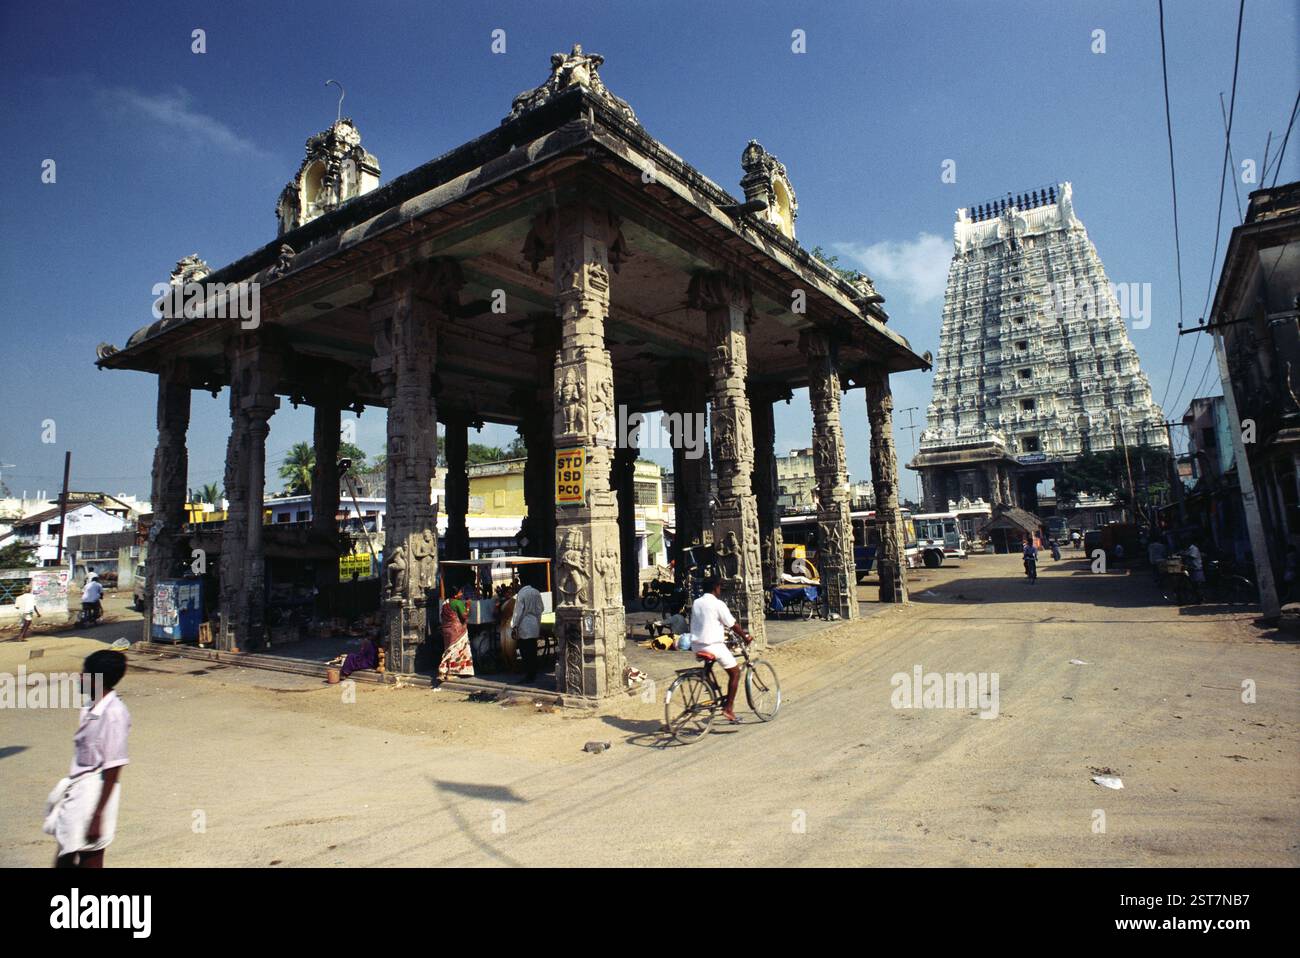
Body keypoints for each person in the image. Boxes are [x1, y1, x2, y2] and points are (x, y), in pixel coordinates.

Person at [47, 650, 131, 868]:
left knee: (89, 858)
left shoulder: (114, 714)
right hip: (77, 792)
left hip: (95, 794)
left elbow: (114, 767)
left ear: (97, 679)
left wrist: (97, 816)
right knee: (65, 854)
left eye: (85, 673)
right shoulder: (90, 708)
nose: (80, 677)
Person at [689, 576, 753, 723]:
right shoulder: (718, 604)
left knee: (709, 665)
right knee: (735, 673)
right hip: (713, 645)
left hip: (696, 645)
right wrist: (745, 637)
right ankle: (728, 709)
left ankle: (711, 686)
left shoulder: (696, 603)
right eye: (719, 587)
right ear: (716, 587)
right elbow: (732, 624)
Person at [510, 575, 545, 683]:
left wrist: (514, 625)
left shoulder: (522, 594)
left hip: (524, 624)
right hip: (534, 623)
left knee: (525, 651)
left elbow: (518, 612)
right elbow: (541, 608)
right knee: (533, 650)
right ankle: (533, 672)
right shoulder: (536, 592)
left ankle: (529, 674)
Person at [436, 588, 474, 681]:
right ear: (455, 595)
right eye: (460, 592)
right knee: (455, 652)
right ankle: (446, 671)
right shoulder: (458, 603)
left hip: (447, 630)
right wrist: (468, 606)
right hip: (457, 631)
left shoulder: (445, 603)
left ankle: (447, 671)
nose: (461, 594)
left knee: (449, 650)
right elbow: (464, 616)